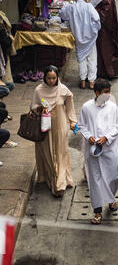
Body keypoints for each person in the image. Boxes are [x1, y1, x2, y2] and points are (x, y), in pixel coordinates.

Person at [78, 78, 118, 225]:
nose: (108, 95)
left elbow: (117, 126)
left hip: (109, 148)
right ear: (97, 93)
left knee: (114, 176)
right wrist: (89, 136)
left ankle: (111, 199)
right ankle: (97, 212)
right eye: (105, 92)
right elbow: (81, 125)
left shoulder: (113, 107)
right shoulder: (86, 107)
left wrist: (106, 137)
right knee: (95, 181)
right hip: (93, 151)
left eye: (109, 92)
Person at [31, 65, 77, 197]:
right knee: (48, 152)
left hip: (60, 125)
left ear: (57, 78)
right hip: (45, 126)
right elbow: (33, 107)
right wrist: (41, 109)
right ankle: (50, 178)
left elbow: (69, 106)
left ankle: (60, 183)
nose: (51, 81)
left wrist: (73, 121)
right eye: (48, 78)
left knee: (61, 152)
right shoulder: (39, 90)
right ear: (44, 78)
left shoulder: (63, 90)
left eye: (53, 78)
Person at [59, 0, 101, 90]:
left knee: (81, 58)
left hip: (78, 37)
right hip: (90, 37)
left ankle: (83, 81)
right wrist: (94, 29)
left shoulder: (71, 7)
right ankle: (91, 82)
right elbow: (96, 18)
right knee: (92, 59)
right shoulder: (89, 6)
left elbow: (62, 14)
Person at [90, 0, 118, 80]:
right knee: (100, 51)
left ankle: (109, 72)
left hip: (106, 31)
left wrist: (92, 13)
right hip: (101, 29)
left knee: (106, 51)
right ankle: (101, 71)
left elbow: (104, 15)